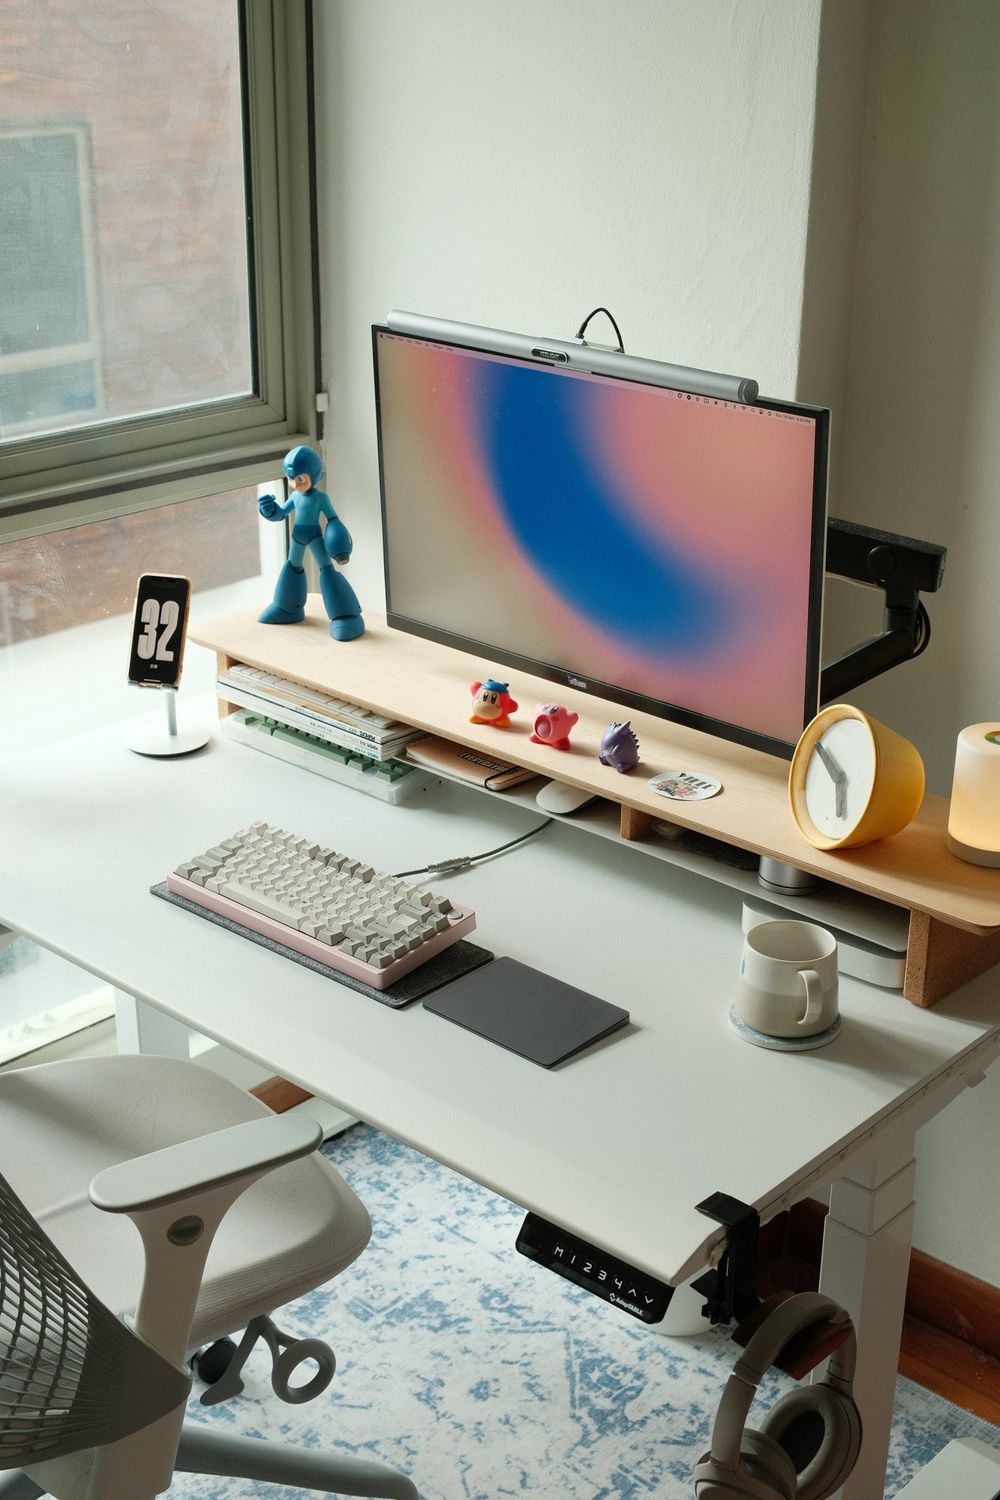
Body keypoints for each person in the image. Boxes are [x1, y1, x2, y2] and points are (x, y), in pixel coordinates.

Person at [257, 445, 364, 641]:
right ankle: (287, 608)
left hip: (315, 536)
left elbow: (333, 519)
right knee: (292, 566)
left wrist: (339, 546)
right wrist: (269, 510)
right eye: (291, 479)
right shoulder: (296, 496)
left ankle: (346, 615)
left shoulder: (321, 498)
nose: (295, 484)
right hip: (298, 536)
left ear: (314, 476)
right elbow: (281, 514)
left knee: (326, 569)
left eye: (300, 479)